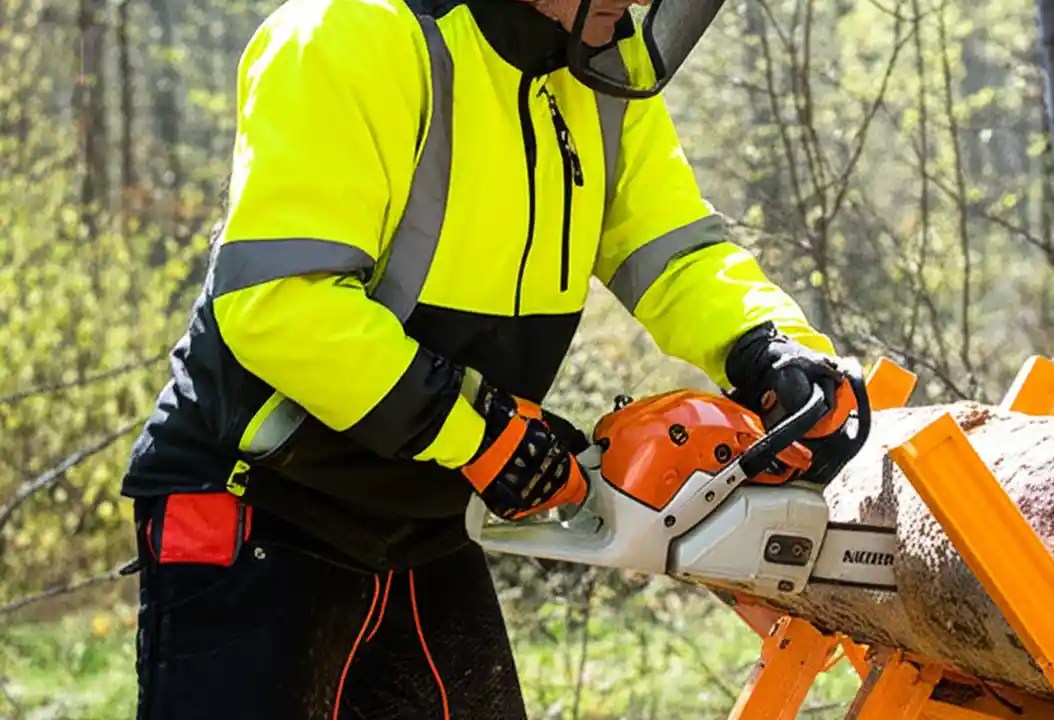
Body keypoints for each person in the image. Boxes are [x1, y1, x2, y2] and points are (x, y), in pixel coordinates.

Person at [119, 0, 864, 716]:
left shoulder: (600, 70)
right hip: (264, 505)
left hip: (429, 512)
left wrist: (765, 341)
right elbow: (280, 302)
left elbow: (670, 250)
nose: (639, 0)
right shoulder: (348, 33)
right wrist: (478, 431)